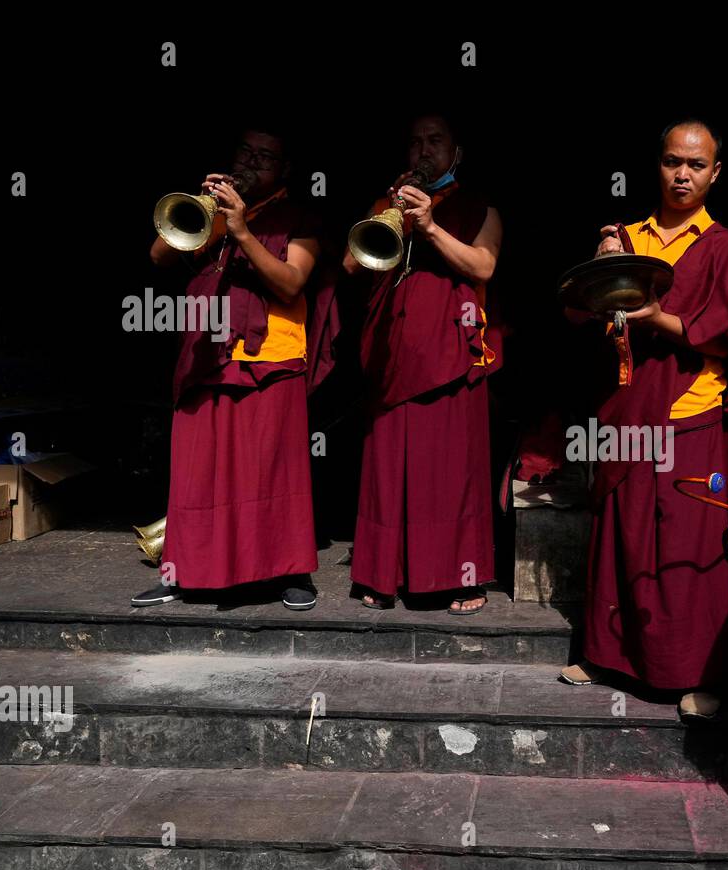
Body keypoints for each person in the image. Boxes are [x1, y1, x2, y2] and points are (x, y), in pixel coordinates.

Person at [561, 119, 728, 723]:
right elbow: (575, 315)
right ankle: (608, 656)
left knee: (687, 551)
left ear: (715, 173)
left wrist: (657, 319)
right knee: (621, 537)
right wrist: (599, 271)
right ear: (658, 165)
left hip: (690, 414)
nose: (683, 174)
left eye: (696, 165)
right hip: (628, 410)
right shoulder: (625, 238)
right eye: (673, 161)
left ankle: (698, 673)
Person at [134, 126, 338, 611]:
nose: (251, 162)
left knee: (274, 472)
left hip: (270, 356)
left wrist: (243, 230)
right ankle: (183, 570)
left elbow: (291, 283)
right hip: (206, 353)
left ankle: (291, 573)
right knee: (197, 472)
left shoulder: (300, 217)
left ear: (285, 170)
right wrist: (204, 207)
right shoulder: (214, 211)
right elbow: (159, 255)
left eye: (265, 157)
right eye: (246, 152)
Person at [345, 114, 502, 614]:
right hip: (394, 354)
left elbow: (483, 266)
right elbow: (351, 263)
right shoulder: (388, 202)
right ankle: (382, 573)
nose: (424, 150)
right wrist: (392, 212)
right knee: (388, 469)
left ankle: (461, 578)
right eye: (415, 142)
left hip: (451, 355)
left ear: (457, 153)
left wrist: (430, 226)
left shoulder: (480, 208)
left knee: (451, 472)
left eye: (435, 141)